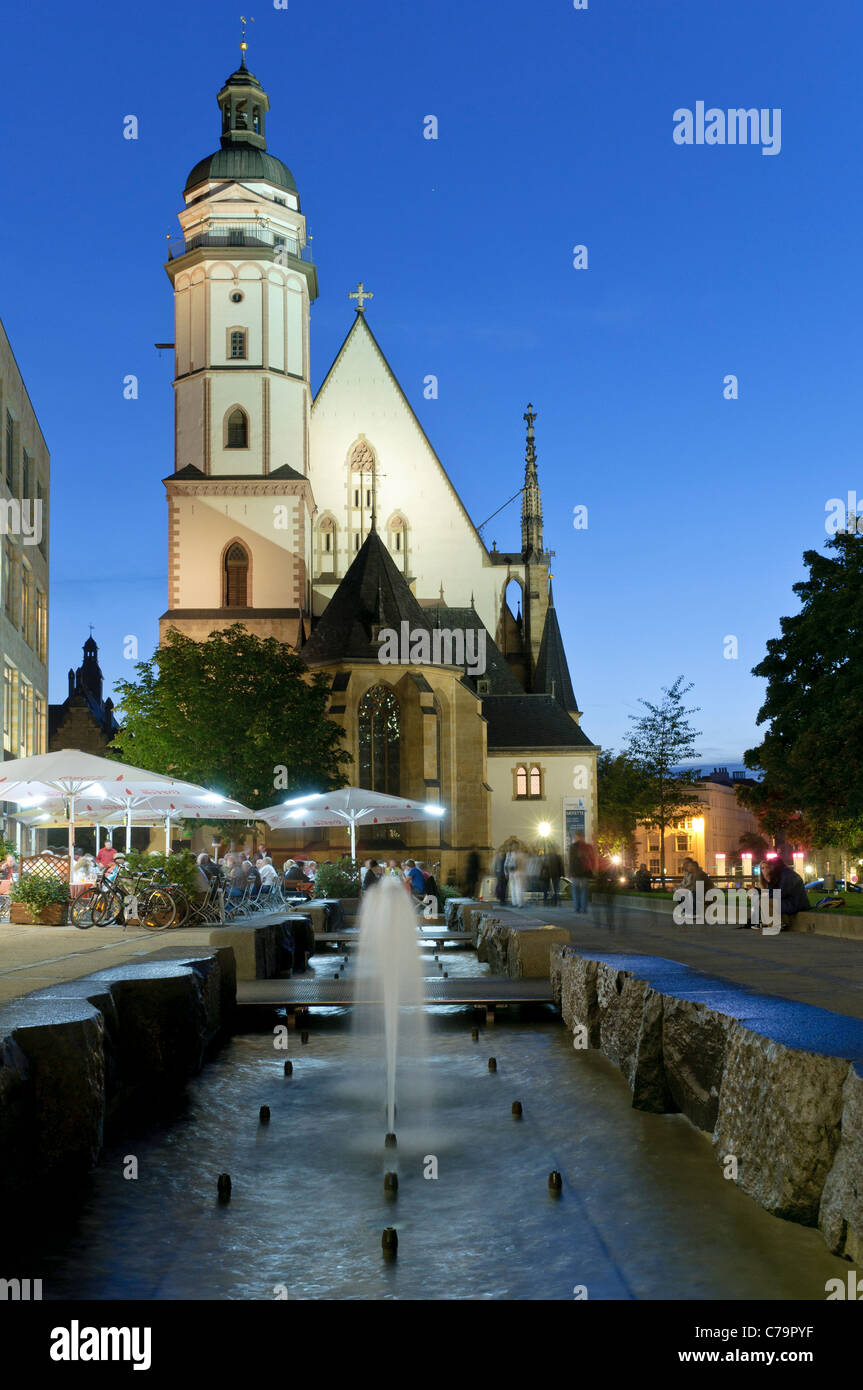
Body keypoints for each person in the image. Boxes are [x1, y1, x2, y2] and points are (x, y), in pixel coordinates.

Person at [758, 856, 810, 934]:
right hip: (792, 902)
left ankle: (776, 925)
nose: (769, 870)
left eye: (770, 867)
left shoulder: (787, 875)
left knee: (765, 902)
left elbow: (778, 895)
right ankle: (771, 923)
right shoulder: (782, 874)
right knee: (764, 901)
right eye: (764, 868)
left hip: (796, 904)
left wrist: (769, 883)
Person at [568, 835, 596, 914]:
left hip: (576, 873)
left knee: (576, 891)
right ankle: (584, 908)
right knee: (584, 891)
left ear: (576, 838)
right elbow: (591, 859)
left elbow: (571, 861)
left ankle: (577, 908)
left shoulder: (572, 847)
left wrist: (570, 872)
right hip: (585, 872)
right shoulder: (587, 847)